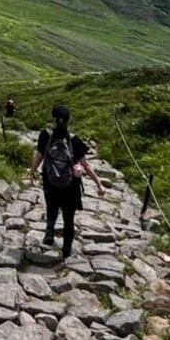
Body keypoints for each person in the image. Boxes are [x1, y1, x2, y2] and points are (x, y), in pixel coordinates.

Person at [28, 102, 105, 258]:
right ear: (68, 120)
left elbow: (39, 156)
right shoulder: (73, 140)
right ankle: (67, 250)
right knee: (68, 217)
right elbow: (86, 165)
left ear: (53, 118)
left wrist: (31, 172)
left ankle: (49, 235)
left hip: (50, 181)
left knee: (52, 207)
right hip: (70, 186)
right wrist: (99, 184)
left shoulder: (45, 135)